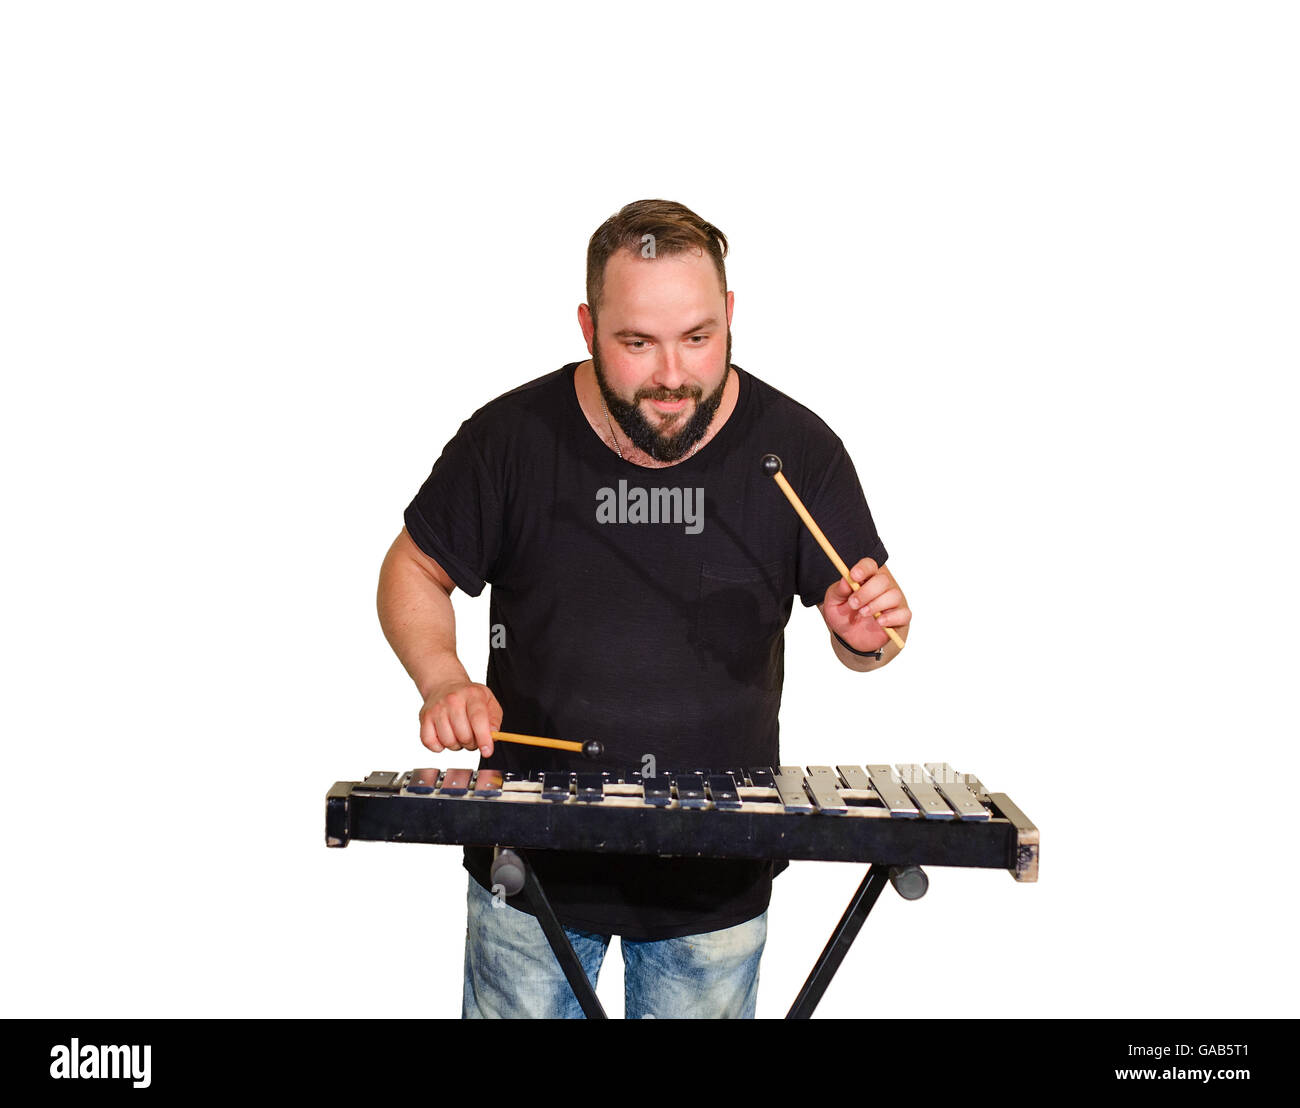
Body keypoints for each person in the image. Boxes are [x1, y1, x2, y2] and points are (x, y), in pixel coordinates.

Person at [376, 199, 911, 1018]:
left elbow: (871, 640)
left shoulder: (798, 451)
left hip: (715, 878)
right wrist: (443, 678)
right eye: (637, 343)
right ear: (588, 326)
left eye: (698, 337)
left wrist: (867, 639)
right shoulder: (511, 440)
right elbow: (413, 567)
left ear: (730, 317)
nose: (672, 375)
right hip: (531, 864)